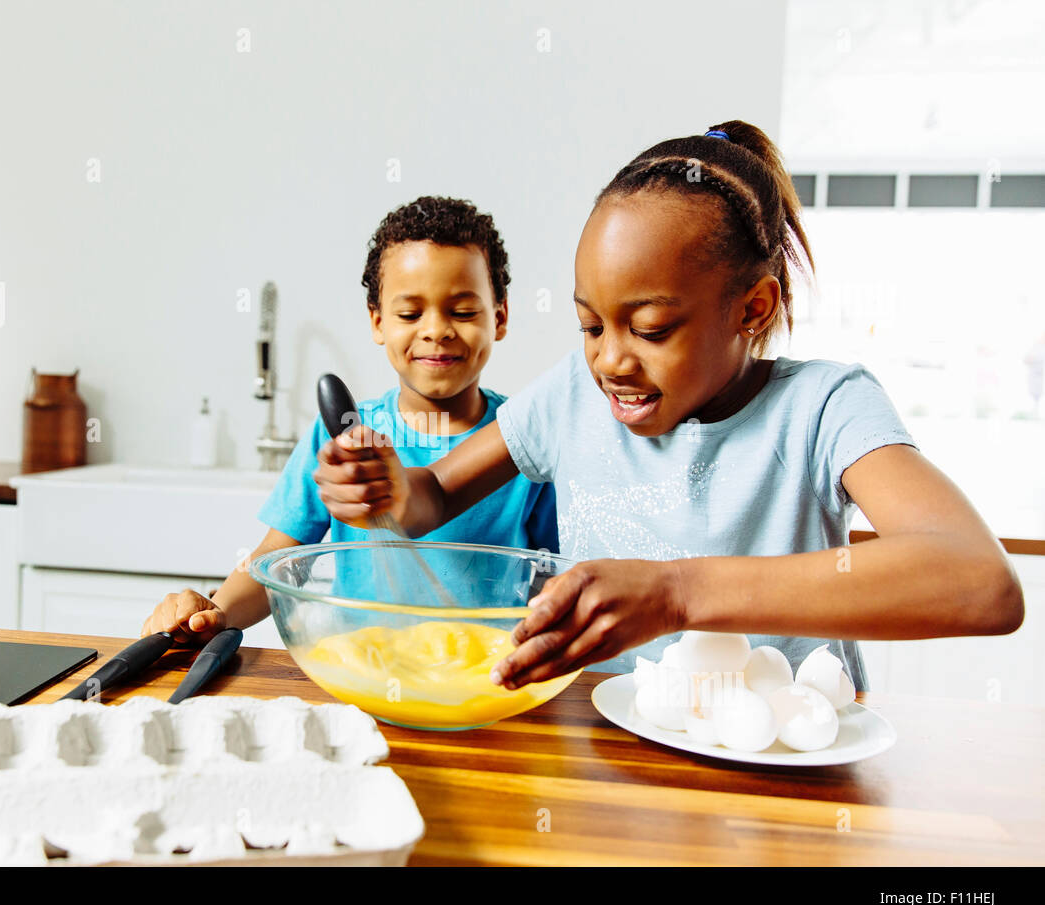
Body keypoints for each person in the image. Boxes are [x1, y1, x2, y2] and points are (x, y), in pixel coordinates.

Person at [313, 121, 1025, 692]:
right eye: (591, 325)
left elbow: (978, 582)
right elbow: (432, 497)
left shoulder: (823, 408)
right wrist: (389, 486)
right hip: (611, 759)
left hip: (782, 775)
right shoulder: (571, 395)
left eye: (651, 329)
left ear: (753, 308)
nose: (610, 360)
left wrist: (676, 592)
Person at [141, 196, 560, 639]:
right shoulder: (339, 440)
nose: (436, 330)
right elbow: (275, 557)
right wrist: (217, 612)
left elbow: (553, 572)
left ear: (500, 317)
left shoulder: (523, 438)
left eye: (462, 311)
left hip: (490, 681)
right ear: (378, 322)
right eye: (409, 313)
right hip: (366, 678)